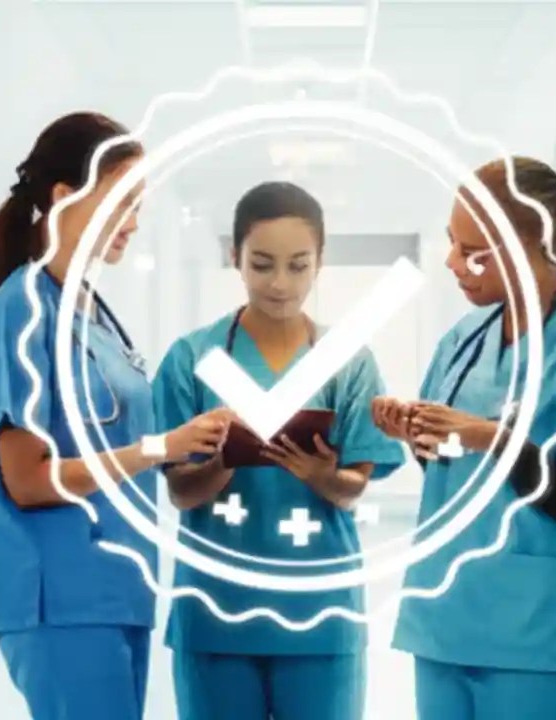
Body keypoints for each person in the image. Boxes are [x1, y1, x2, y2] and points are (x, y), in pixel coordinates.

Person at [0, 111, 231, 720]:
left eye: (139, 206)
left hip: (115, 589)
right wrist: (160, 448)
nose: (133, 222)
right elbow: (28, 481)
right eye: (122, 202)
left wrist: (198, 442)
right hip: (61, 594)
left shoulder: (89, 308)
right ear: (65, 196)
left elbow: (118, 436)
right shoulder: (22, 311)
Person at [374, 157, 556, 720]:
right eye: (452, 242)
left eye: (472, 250)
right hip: (446, 619)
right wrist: (419, 434)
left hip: (541, 634)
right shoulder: (464, 338)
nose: (452, 262)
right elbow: (454, 471)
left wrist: (496, 440)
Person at [151, 181, 406, 720]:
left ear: (320, 262)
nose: (280, 284)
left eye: (298, 265)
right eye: (262, 264)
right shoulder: (192, 358)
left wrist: (320, 474)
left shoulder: (349, 361)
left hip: (320, 614)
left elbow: (352, 489)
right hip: (215, 610)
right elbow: (181, 493)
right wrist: (222, 460)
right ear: (235, 257)